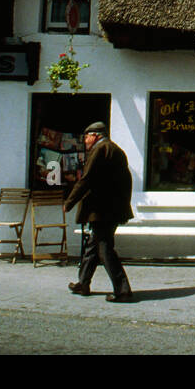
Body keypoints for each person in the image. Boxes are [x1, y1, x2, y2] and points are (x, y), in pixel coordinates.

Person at [64, 122, 135, 302]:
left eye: (86, 137)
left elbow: (86, 179)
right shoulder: (114, 150)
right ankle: (83, 283)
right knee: (93, 246)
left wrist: (69, 202)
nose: (85, 141)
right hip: (112, 209)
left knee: (104, 248)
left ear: (95, 135)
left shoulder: (100, 149)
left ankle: (123, 290)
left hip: (103, 210)